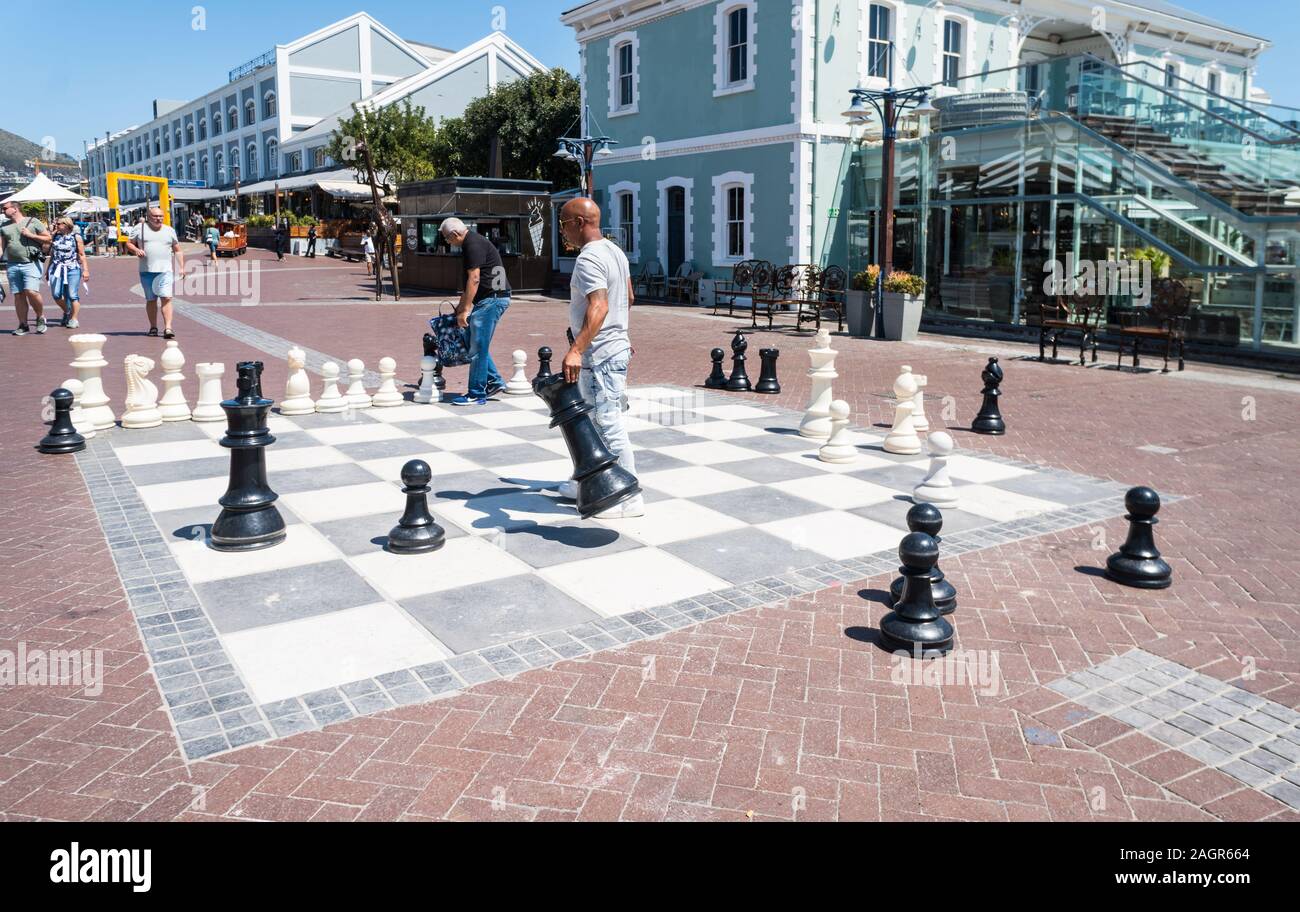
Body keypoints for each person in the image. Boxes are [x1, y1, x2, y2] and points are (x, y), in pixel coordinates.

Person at [555, 197, 643, 518]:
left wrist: (576, 349)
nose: (562, 232)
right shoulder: (615, 251)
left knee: (606, 422)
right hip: (613, 346)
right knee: (592, 420)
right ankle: (585, 479)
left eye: (564, 224)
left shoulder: (589, 258)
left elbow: (600, 305)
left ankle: (627, 494)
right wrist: (620, 333)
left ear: (579, 223)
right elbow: (629, 297)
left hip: (600, 354)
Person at [439, 217, 509, 406]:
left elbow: (475, 279)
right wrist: (461, 307)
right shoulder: (475, 242)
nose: (447, 242)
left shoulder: (472, 244)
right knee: (476, 344)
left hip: (492, 299)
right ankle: (494, 382)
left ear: (454, 234)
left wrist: (466, 309)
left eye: (447, 238)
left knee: (477, 347)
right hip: (491, 297)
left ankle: (477, 393)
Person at [123, 206, 183, 339]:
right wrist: (136, 250)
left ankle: (168, 328)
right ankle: (153, 327)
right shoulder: (140, 228)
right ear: (149, 217)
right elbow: (129, 243)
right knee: (151, 300)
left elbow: (177, 249)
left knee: (166, 298)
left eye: (161, 216)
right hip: (146, 271)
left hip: (165, 270)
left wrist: (181, 267)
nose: (158, 218)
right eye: (155, 216)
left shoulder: (169, 230)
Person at [1, 198, 53, 336]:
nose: (3, 210)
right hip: (12, 264)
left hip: (31, 263)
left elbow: (48, 238)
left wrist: (30, 235)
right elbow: (1, 246)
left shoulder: (33, 221)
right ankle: (23, 324)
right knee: (18, 295)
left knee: (31, 291)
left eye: (5, 208)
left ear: (15, 208)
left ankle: (40, 317)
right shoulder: (4, 226)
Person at [46, 216, 88, 329]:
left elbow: (82, 254)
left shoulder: (76, 237)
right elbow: (51, 254)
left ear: (66, 224)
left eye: (59, 224)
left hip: (72, 268)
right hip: (56, 269)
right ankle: (67, 311)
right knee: (56, 294)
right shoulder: (55, 236)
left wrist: (86, 270)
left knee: (72, 294)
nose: (56, 226)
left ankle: (74, 319)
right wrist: (47, 270)